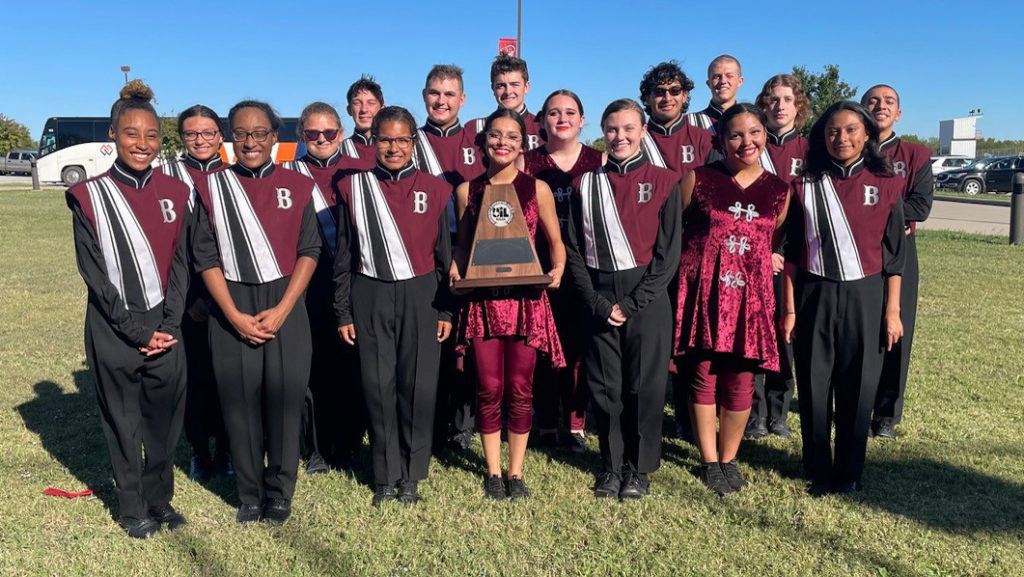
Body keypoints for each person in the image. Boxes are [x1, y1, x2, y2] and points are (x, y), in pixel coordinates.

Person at [66, 80, 191, 538]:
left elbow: (182, 263)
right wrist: (136, 332)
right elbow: (94, 275)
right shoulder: (88, 195)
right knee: (123, 422)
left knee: (164, 422)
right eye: (131, 133)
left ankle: (159, 500)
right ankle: (132, 506)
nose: (142, 143)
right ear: (113, 135)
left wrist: (169, 323)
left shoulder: (177, 191)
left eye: (151, 135)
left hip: (166, 325)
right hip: (114, 328)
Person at [192, 100, 321, 523]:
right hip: (231, 305)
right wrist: (231, 314)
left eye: (260, 133)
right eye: (242, 134)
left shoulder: (298, 185)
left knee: (285, 403)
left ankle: (280, 491)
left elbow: (309, 250)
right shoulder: (211, 187)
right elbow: (205, 257)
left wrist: (284, 308)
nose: (251, 142)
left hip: (286, 304)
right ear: (230, 138)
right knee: (239, 404)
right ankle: (249, 493)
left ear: (274, 137)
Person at [780, 101, 905, 496]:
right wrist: (789, 309)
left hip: (866, 295)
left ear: (866, 134)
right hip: (814, 292)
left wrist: (892, 311)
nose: (842, 138)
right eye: (833, 130)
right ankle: (818, 469)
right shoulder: (802, 186)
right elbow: (791, 254)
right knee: (814, 384)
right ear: (822, 136)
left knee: (859, 385)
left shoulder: (887, 184)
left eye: (851, 129)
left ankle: (850, 471)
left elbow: (895, 257)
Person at [333, 106, 453, 506]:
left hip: (422, 294)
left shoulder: (435, 189)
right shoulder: (353, 188)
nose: (394, 147)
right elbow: (345, 256)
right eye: (385, 139)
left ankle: (412, 473)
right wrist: (343, 311)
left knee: (418, 385)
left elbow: (444, 256)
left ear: (413, 142)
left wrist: (446, 309)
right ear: (373, 141)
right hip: (370, 292)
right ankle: (385, 474)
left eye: (402, 139)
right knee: (377, 384)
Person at [564, 99, 682, 500]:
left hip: (646, 298)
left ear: (643, 131)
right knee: (605, 386)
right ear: (602, 131)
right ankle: (611, 465)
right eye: (612, 129)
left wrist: (631, 304)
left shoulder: (666, 181)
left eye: (629, 128)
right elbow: (574, 250)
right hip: (598, 296)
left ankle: (639, 467)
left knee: (644, 387)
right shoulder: (584, 184)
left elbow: (668, 256)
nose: (620, 136)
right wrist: (597, 302)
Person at [673, 103, 790, 495]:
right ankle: (709, 460)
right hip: (704, 293)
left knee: (741, 380)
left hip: (749, 300)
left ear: (765, 135)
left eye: (754, 132)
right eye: (736, 134)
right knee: (703, 376)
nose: (746, 142)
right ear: (722, 140)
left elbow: (771, 240)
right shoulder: (699, 179)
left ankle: (729, 458)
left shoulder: (779, 190)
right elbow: (674, 231)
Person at [450, 109, 566, 500]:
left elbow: (556, 242)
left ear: (523, 144)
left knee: (520, 388)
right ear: (483, 142)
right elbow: (462, 245)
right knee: (488, 387)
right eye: (496, 135)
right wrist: (455, 269)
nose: (503, 142)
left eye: (512, 136)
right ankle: (493, 471)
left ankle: (516, 472)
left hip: (525, 302)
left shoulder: (538, 189)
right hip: (483, 303)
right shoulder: (467, 191)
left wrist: (558, 268)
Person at [282, 102, 367, 474]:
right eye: (313, 133)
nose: (321, 139)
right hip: (308, 285)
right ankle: (317, 446)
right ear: (302, 135)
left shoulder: (360, 172)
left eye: (329, 132)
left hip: (353, 281)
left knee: (352, 364)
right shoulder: (288, 175)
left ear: (341, 133)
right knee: (313, 367)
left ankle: (349, 443)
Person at [636, 61, 716, 442]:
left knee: (689, 337)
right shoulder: (635, 136)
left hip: (693, 253)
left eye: (673, 91)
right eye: (658, 92)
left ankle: (687, 416)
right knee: (652, 337)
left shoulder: (704, 139)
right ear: (647, 98)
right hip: (648, 252)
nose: (666, 98)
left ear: (685, 96)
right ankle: (646, 413)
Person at [523, 89, 604, 452]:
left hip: (587, 267)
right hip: (540, 265)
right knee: (543, 346)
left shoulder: (599, 161)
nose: (562, 118)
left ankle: (575, 423)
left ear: (582, 120)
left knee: (580, 348)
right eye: (554, 112)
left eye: (570, 112)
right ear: (542, 120)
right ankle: (544, 421)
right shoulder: (527, 163)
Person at [413, 64, 485, 451]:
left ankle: (464, 423)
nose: (441, 101)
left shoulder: (480, 140)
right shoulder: (410, 140)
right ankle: (433, 420)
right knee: (433, 342)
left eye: (449, 94)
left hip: (472, 252)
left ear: (462, 99)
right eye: (434, 93)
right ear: (424, 95)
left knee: (468, 342)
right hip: (427, 254)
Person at [161, 105, 233, 481]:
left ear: (220, 136)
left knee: (230, 376)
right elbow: (163, 245)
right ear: (182, 137)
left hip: (231, 293)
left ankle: (229, 449)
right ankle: (199, 450)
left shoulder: (235, 175)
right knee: (195, 377)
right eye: (192, 133)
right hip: (186, 295)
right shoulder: (166, 177)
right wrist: (188, 300)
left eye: (208, 132)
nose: (200, 140)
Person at [861, 84, 934, 440]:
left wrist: (874, 210)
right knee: (861, 330)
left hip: (899, 251)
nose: (881, 105)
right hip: (858, 250)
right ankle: (858, 402)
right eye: (873, 100)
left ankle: (887, 413)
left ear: (899, 113)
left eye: (888, 101)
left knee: (896, 329)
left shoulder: (915, 154)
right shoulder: (851, 148)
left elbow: (920, 206)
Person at [745, 74, 811, 439]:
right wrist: (765, 250)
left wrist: (783, 252)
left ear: (798, 106)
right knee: (755, 333)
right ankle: (755, 412)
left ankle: (779, 410)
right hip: (755, 256)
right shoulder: (753, 145)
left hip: (796, 257)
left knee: (786, 333)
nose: (779, 105)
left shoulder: (811, 149)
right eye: (772, 99)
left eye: (787, 99)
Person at [466, 54, 544, 151]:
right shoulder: (475, 129)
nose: (508, 92)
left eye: (514, 84)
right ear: (493, 88)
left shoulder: (542, 127)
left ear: (526, 87)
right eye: (501, 86)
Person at [687, 54, 744, 133]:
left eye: (729, 76)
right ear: (708, 84)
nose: (723, 81)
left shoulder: (752, 121)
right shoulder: (689, 123)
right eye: (717, 76)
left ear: (740, 81)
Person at [341, 75, 384, 162]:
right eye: (357, 103)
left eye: (371, 103)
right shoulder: (339, 151)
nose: (364, 109)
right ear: (349, 110)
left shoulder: (395, 149)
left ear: (382, 109)